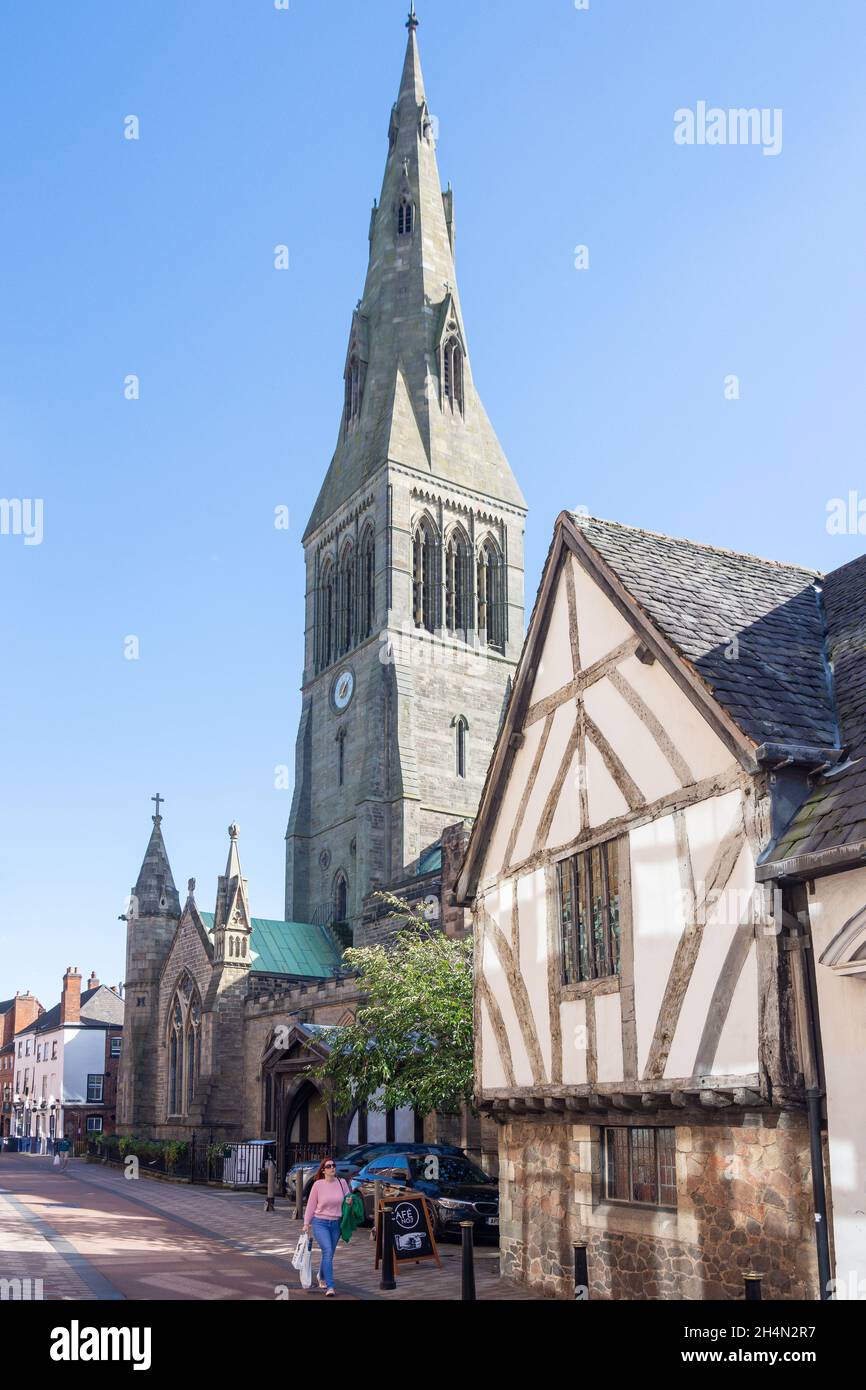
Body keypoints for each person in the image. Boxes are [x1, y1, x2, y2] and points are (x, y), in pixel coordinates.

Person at [303, 1157, 349, 1296]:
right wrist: (306, 1223)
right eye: (328, 1166)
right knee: (328, 1250)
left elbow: (348, 1200)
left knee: (329, 1253)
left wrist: (350, 1201)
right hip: (320, 1222)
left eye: (333, 1165)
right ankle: (330, 1286)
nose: (332, 1168)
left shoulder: (342, 1183)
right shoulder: (318, 1185)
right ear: (323, 1170)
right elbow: (311, 1205)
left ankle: (321, 1276)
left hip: (336, 1224)